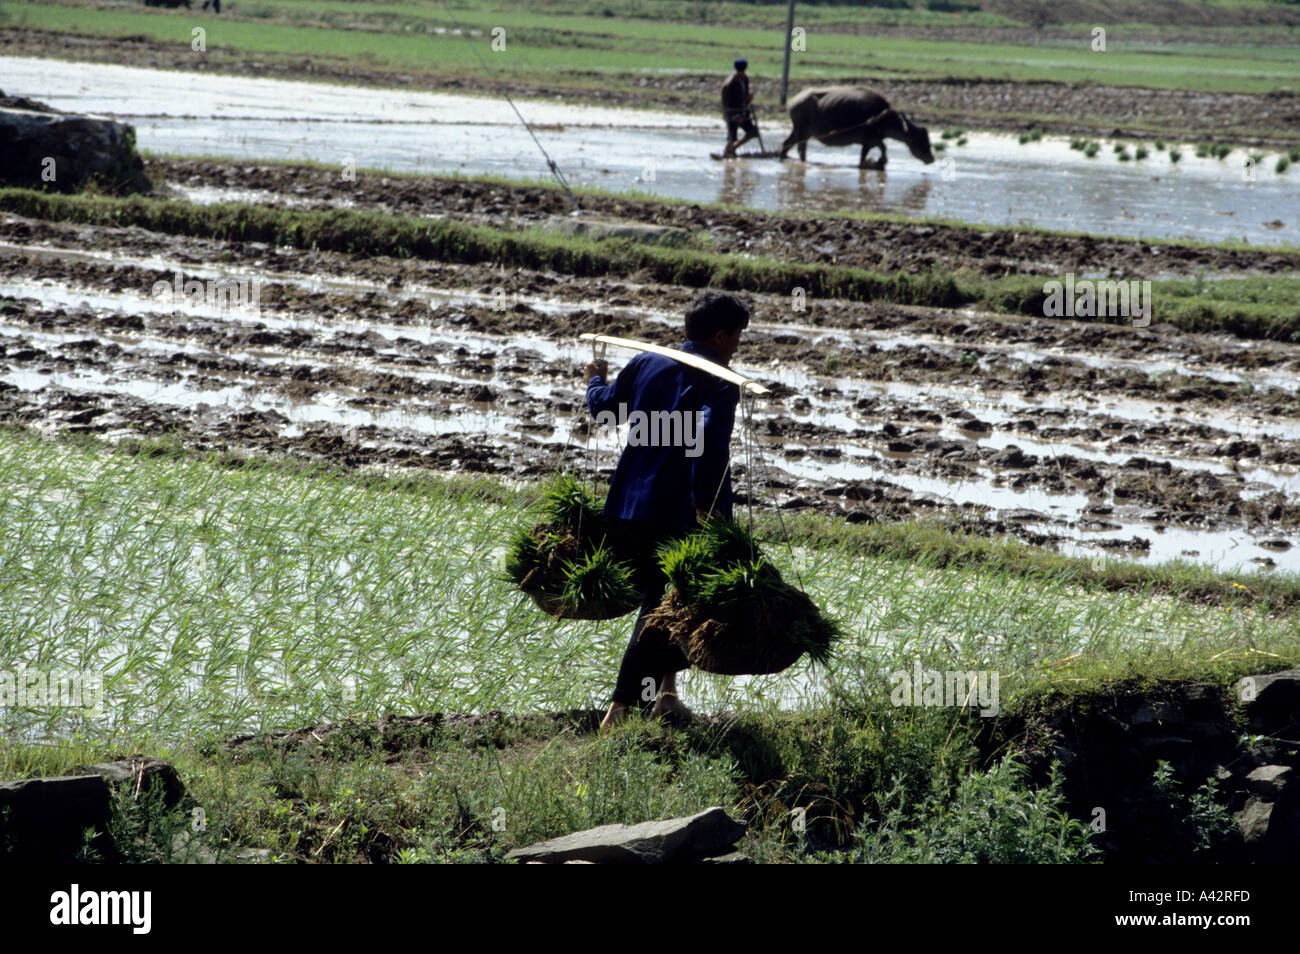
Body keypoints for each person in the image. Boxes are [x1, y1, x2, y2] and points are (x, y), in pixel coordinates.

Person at [583, 291, 749, 734]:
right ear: (719, 336)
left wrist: (594, 380)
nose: (737, 346)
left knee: (672, 602)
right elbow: (709, 443)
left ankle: (666, 697)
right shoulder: (720, 381)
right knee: (661, 611)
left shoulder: (646, 364)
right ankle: (618, 712)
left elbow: (604, 411)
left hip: (629, 507)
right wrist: (704, 507)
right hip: (679, 513)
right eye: (737, 337)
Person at [721, 58, 759, 158]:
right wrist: (734, 115)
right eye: (739, 71)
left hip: (743, 111)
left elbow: (744, 96)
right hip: (732, 114)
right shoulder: (729, 84)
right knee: (732, 137)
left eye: (742, 71)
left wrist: (748, 99)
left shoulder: (745, 79)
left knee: (753, 132)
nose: (741, 73)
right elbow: (726, 103)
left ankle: (733, 149)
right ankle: (727, 153)